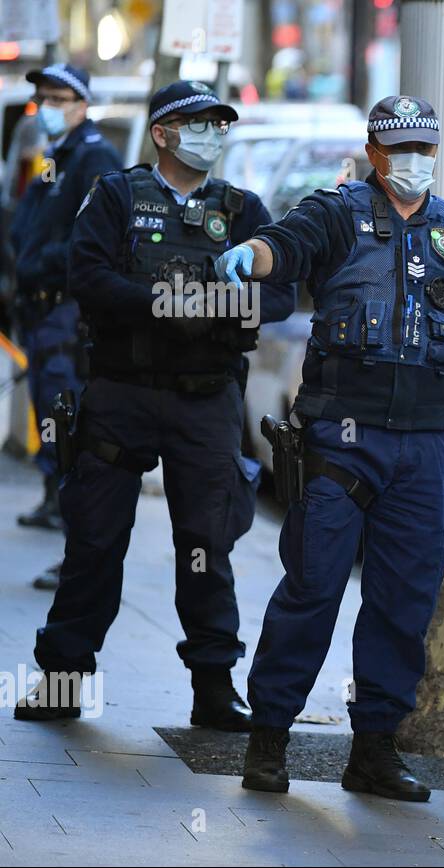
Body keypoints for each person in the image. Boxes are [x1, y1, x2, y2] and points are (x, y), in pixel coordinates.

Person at [215, 95, 444, 802]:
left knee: (403, 600)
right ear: (376, 151)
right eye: (399, 147)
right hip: (342, 441)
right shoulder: (336, 212)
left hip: (425, 448)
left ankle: (375, 751)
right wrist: (250, 255)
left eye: (424, 147)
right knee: (313, 587)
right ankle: (268, 739)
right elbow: (283, 247)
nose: (413, 160)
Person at [13, 80, 294, 730]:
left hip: (205, 397)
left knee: (206, 546)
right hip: (121, 393)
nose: (212, 135)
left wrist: (220, 305)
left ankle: (214, 689)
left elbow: (280, 292)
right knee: (94, 539)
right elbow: (86, 276)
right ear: (162, 132)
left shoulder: (243, 208)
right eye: (197, 123)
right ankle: (61, 679)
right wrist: (163, 305)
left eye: (220, 125)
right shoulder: (116, 196)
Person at [10, 65, 122, 592]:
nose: (47, 107)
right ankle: (57, 507)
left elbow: (91, 235)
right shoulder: (57, 156)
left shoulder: (95, 156)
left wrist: (44, 264)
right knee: (50, 420)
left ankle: (79, 555)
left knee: (69, 429)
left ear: (82, 103)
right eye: (41, 98)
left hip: (67, 313)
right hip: (41, 310)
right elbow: (30, 218)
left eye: (58, 98)